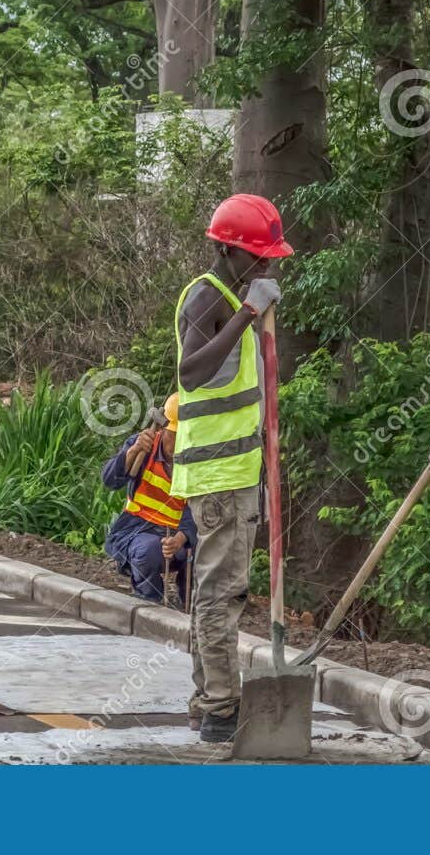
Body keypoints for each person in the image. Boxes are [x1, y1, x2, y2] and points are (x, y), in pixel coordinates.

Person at [172, 192, 291, 742]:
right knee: (222, 593)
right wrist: (246, 313)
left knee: (215, 590)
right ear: (229, 251)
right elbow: (191, 372)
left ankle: (207, 699)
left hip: (236, 473)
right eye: (258, 257)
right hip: (219, 477)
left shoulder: (229, 294)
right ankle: (221, 708)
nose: (266, 266)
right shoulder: (207, 297)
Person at [101, 393, 195, 606]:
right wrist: (133, 451)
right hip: (140, 529)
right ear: (163, 428)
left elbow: (198, 510)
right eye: (175, 435)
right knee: (147, 552)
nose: (179, 442)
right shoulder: (144, 446)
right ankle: (149, 601)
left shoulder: (196, 462)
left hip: (181, 535)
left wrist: (181, 538)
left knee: (208, 555)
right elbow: (109, 480)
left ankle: (190, 605)